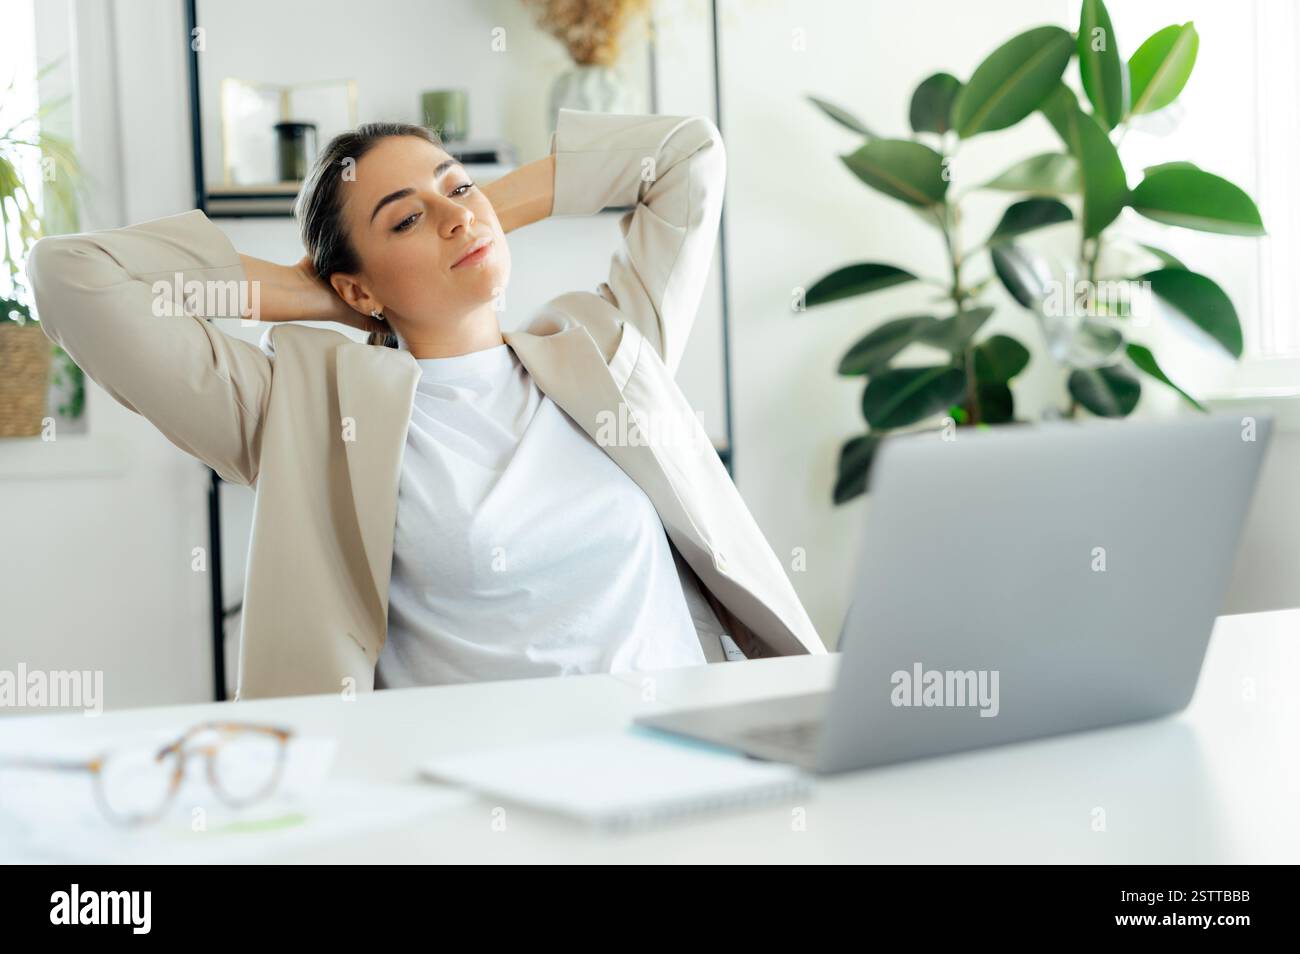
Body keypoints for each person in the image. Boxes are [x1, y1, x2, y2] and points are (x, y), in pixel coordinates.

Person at [27, 108, 825, 701]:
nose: (453, 214)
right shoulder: (304, 413)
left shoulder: (605, 347)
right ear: (357, 284)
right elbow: (73, 277)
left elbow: (688, 154)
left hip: (691, 770)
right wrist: (312, 296)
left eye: (460, 186)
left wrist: (467, 216)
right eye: (405, 218)